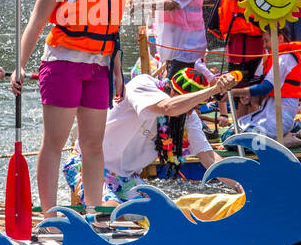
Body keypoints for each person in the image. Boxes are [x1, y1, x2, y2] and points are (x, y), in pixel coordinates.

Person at [11, 0, 125, 214]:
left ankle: (94, 212)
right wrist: (19, 66)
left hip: (98, 69)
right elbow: (35, 23)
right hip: (63, 65)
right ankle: (48, 215)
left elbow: (112, 32)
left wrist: (118, 72)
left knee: (93, 146)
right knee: (55, 143)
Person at [63, 66, 240, 204]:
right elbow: (168, 107)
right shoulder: (143, 84)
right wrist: (213, 90)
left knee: (158, 216)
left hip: (126, 178)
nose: (190, 112)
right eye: (189, 105)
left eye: (194, 107)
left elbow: (208, 156)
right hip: (86, 165)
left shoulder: (189, 116)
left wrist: (241, 186)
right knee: (111, 210)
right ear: (172, 91)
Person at [229, 27, 301, 142]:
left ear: (280, 38)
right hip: (269, 113)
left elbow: (266, 87)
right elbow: (267, 94)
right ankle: (289, 134)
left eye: (266, 41)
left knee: (239, 140)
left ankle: (286, 139)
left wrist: (232, 93)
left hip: (280, 118)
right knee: (231, 133)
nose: (264, 46)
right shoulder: (277, 57)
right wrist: (251, 98)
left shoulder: (285, 58)